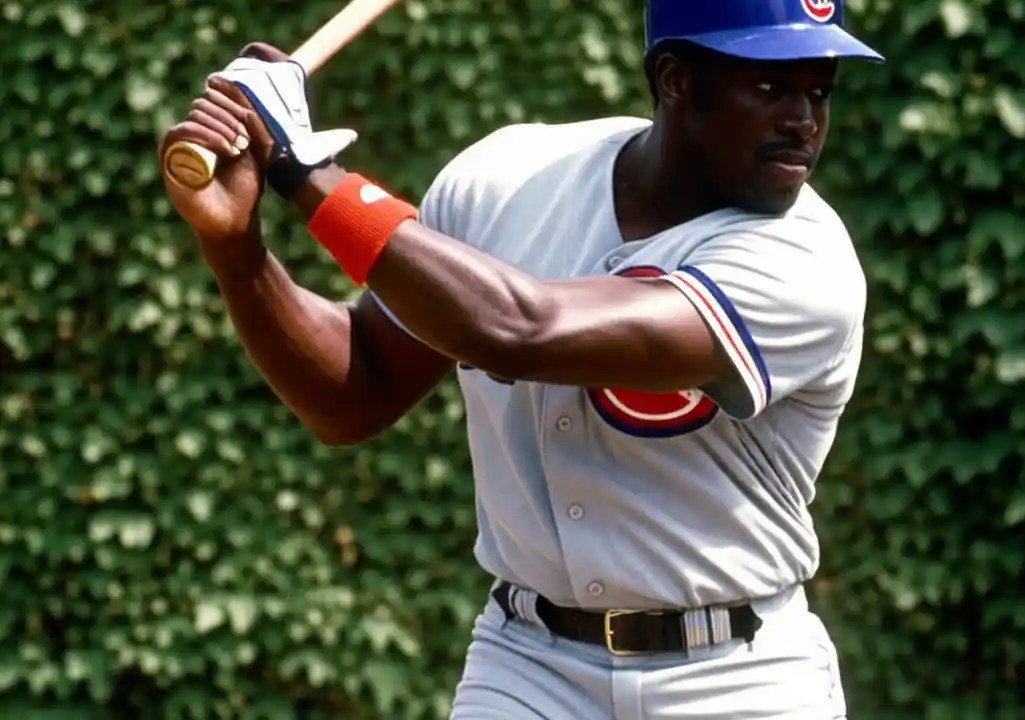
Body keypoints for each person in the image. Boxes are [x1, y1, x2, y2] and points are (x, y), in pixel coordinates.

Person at [158, 0, 883, 717]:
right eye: (769, 86)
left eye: (819, 91)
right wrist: (235, 246)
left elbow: (518, 329)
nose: (804, 122)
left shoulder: (805, 262)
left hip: (734, 678)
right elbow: (355, 391)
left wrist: (300, 166)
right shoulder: (511, 178)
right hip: (528, 666)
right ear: (675, 79)